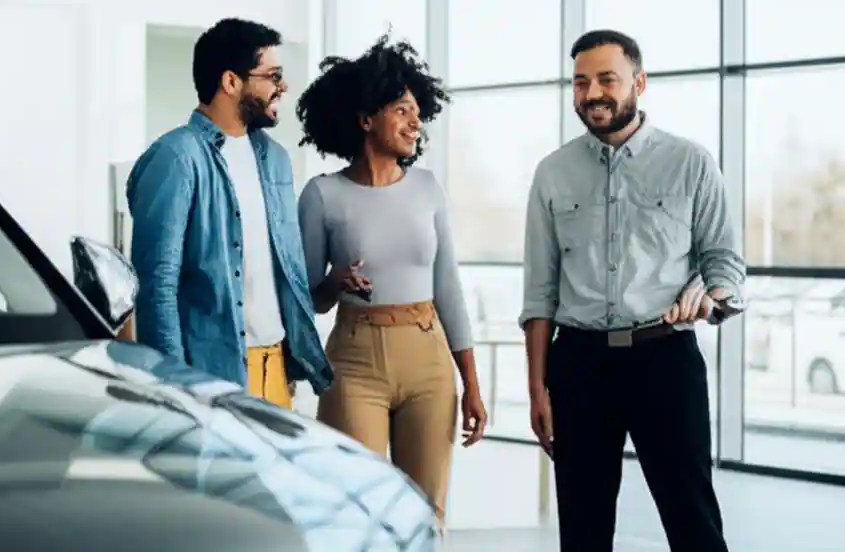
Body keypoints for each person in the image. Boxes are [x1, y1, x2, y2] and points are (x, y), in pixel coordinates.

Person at [521, 29, 746, 552]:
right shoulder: (552, 173)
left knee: (693, 521)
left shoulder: (690, 162)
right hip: (578, 366)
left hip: (664, 361)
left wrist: (710, 297)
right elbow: (539, 292)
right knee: (582, 529)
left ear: (638, 83)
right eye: (580, 82)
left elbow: (725, 263)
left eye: (606, 79)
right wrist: (538, 388)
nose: (592, 93)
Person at [295, 34, 488, 527]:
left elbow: (448, 288)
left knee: (427, 512)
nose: (415, 121)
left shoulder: (427, 188)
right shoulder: (323, 196)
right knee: (357, 507)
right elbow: (308, 301)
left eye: (416, 111)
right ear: (366, 119)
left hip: (428, 358)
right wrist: (334, 282)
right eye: (402, 110)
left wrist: (471, 383)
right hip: (355, 361)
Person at [125, 17, 332, 407]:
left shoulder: (276, 160)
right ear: (231, 82)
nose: (282, 87)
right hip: (209, 376)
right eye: (273, 76)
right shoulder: (176, 158)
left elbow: (286, 269)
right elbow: (157, 286)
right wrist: (174, 386)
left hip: (276, 367)